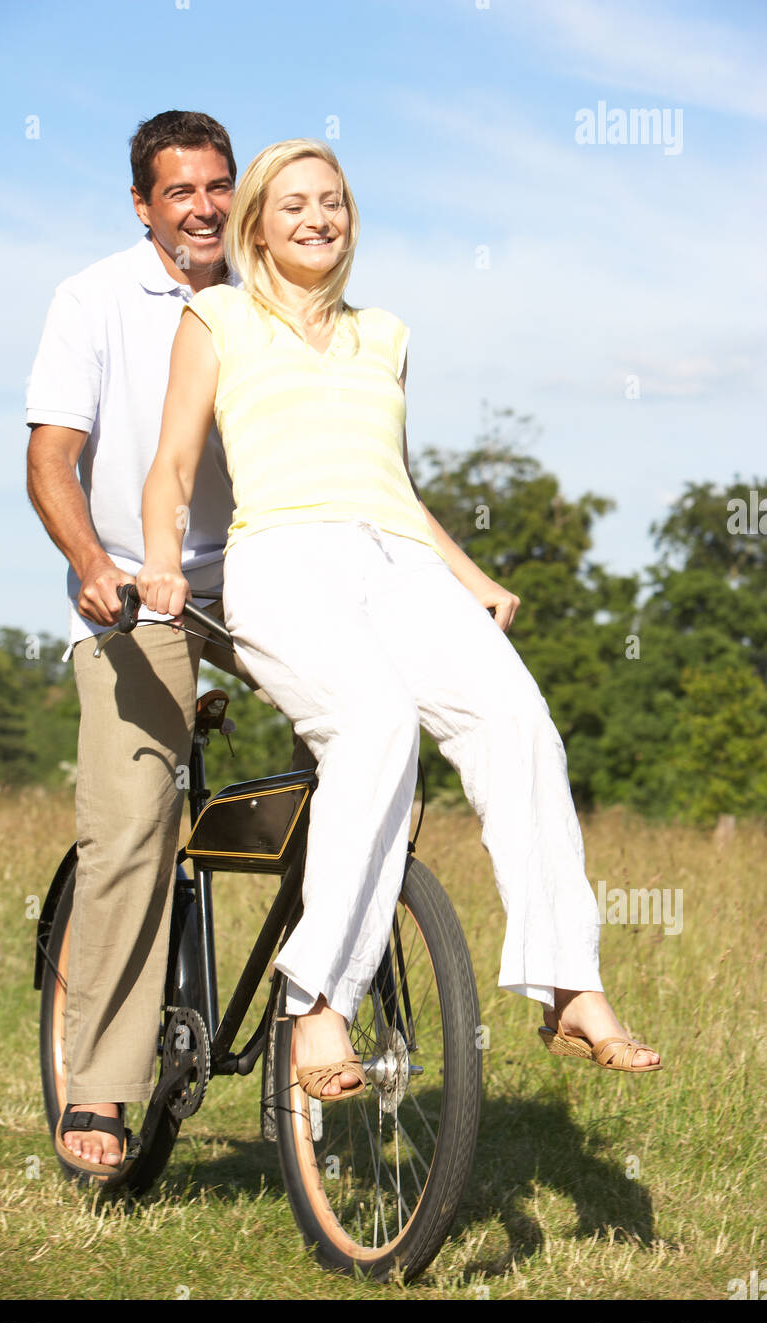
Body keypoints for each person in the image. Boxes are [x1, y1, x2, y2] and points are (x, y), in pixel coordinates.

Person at [138, 138, 661, 1101]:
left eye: (332, 201)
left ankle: (569, 984)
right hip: (284, 556)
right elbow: (174, 463)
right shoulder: (217, 316)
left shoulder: (387, 334)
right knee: (375, 724)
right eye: (292, 203)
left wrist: (470, 575)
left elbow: (395, 485)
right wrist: (164, 563)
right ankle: (319, 1000)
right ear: (257, 222)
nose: (316, 218)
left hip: (400, 562)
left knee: (518, 723)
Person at [27, 110, 247, 1172]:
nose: (202, 206)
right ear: (142, 204)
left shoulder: (268, 294)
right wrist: (92, 565)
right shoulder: (94, 298)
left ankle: (327, 1014)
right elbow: (51, 459)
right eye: (179, 191)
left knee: (372, 741)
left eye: (216, 185)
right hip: (132, 586)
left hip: (251, 579)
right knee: (132, 823)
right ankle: (104, 1086)